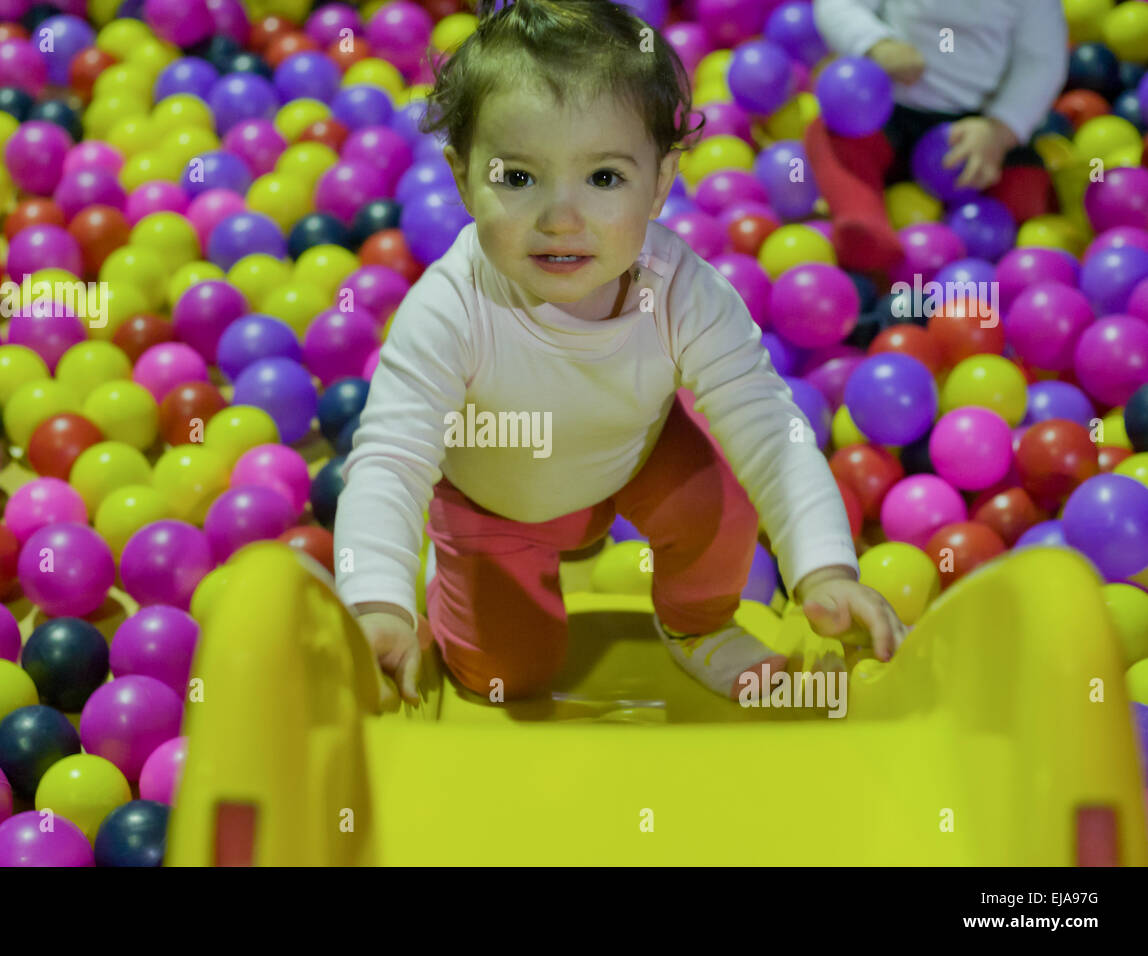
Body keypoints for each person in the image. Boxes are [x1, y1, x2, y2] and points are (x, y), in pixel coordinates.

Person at [335, 0, 906, 711]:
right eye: (517, 178)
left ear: (661, 183)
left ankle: (699, 628)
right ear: (462, 177)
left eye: (604, 178)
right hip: (496, 501)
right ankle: (448, 593)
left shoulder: (679, 290)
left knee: (720, 498)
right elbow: (390, 458)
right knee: (506, 679)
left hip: (634, 460)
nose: (560, 217)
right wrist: (379, 601)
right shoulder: (451, 309)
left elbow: (771, 428)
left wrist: (823, 568)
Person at [807, 0, 1069, 281]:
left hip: (978, 127)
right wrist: (876, 43)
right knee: (832, 133)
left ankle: (1003, 259)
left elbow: (1041, 61)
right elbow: (839, 5)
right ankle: (862, 220)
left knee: (1025, 181)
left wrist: (1000, 129)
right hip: (890, 109)